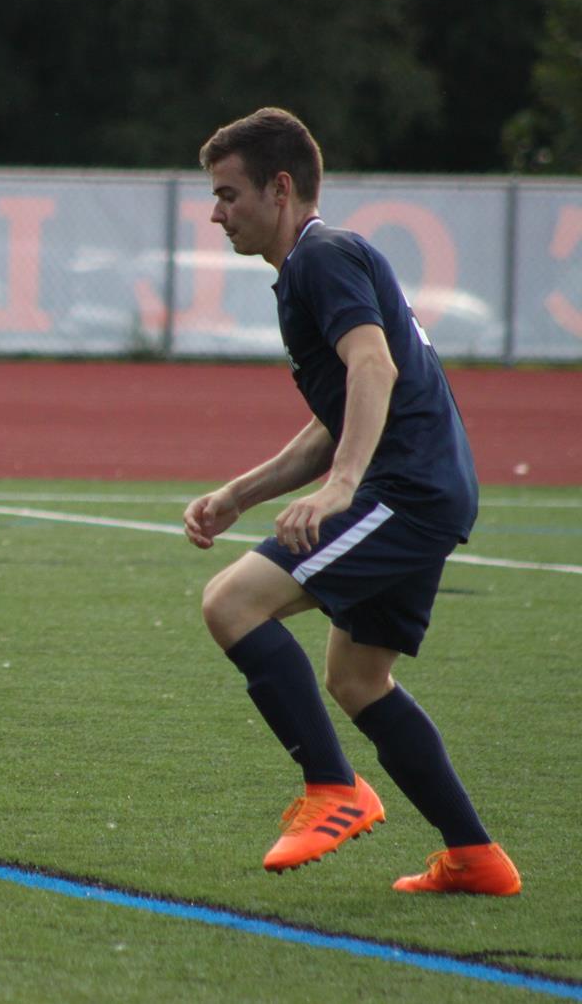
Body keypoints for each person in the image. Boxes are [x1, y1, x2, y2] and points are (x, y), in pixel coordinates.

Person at [184, 107, 520, 895]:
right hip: (424, 487)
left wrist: (342, 487)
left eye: (229, 194)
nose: (215, 212)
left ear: (281, 187)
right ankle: (477, 857)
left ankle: (334, 789)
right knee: (359, 678)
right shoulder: (313, 264)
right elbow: (334, 417)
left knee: (232, 603)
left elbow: (373, 368)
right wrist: (242, 491)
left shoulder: (321, 256)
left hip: (402, 489)